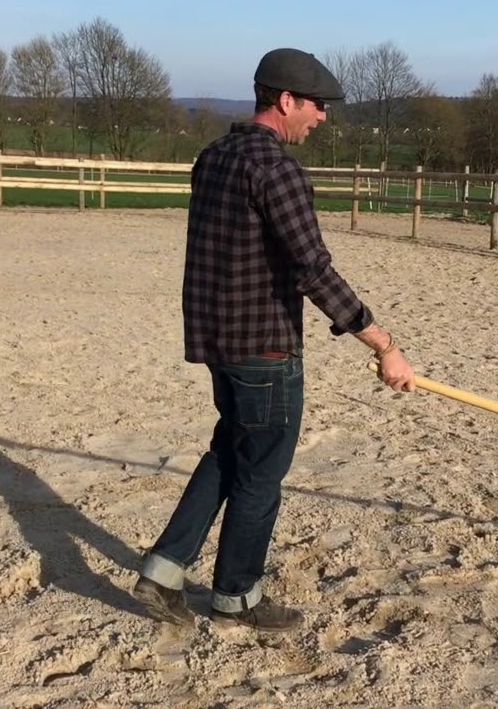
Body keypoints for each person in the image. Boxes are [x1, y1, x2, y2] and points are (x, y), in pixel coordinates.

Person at [132, 47, 416, 633]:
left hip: (218, 341)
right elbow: (312, 270)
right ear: (286, 101)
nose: (323, 117)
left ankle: (163, 570)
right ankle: (236, 597)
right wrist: (383, 344)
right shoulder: (277, 170)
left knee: (228, 454)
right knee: (260, 474)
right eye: (317, 106)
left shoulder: (214, 158)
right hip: (264, 347)